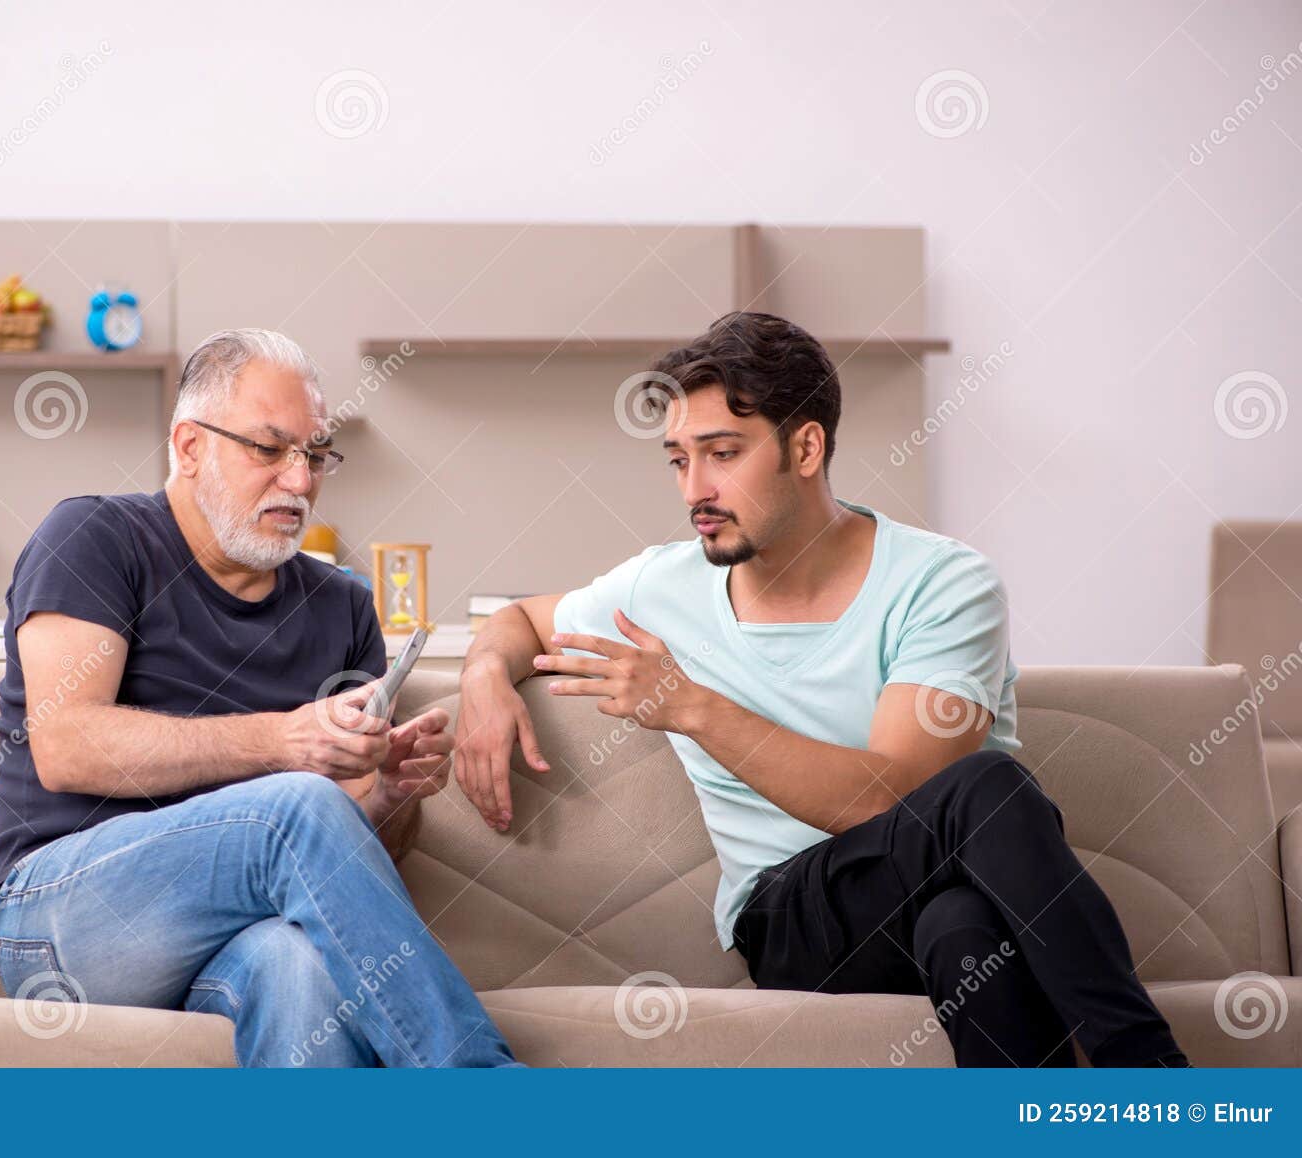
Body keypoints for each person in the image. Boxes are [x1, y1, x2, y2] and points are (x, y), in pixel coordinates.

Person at [453, 311, 1188, 1067]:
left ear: (805, 446)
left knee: (966, 923)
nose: (694, 490)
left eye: (723, 454)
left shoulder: (939, 584)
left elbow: (893, 798)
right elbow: (521, 618)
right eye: (678, 460)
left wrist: (689, 705)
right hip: (792, 921)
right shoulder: (659, 586)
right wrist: (482, 679)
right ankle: (1156, 1083)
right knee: (990, 796)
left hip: (935, 895)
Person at [0, 327, 516, 1068]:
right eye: (269, 450)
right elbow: (65, 746)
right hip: (63, 919)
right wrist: (283, 742)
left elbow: (348, 854)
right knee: (293, 805)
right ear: (191, 445)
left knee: (295, 969)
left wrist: (391, 794)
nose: (299, 482)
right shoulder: (95, 537)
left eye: (316, 454)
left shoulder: (342, 607)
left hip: (236, 934)